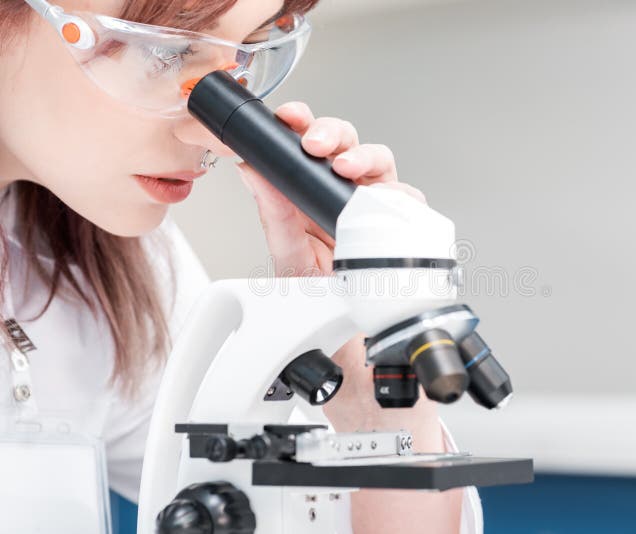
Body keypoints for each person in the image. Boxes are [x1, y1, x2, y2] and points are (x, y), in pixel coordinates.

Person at [0, 0, 481, 532]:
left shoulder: (113, 273)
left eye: (244, 58)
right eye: (166, 51)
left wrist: (371, 403)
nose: (215, 138)